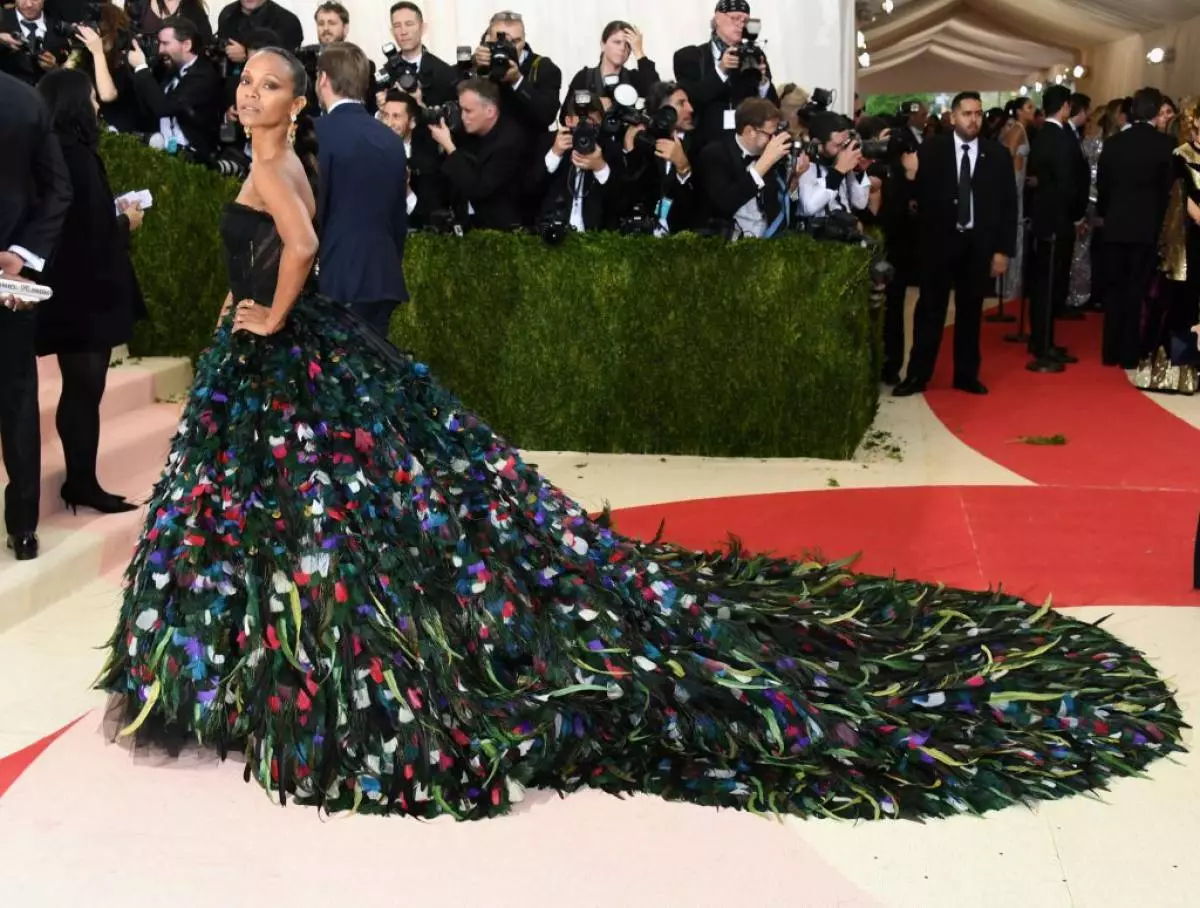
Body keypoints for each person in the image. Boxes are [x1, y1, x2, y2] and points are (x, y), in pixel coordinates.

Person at [95, 47, 1185, 821]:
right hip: (283, 361)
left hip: (278, 354)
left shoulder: (282, 164)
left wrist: (275, 312)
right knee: (311, 517)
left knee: (306, 518)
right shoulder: (295, 150)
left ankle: (250, 671)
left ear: (300, 94)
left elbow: (293, 244)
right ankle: (254, 667)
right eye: (245, 82)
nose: (249, 95)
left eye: (267, 83)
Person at [35, 68, 147, 514]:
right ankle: (82, 483)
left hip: (68, 290)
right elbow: (93, 232)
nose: (97, 106)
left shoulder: (52, 151)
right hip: (85, 294)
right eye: (90, 99)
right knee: (85, 389)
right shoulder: (75, 156)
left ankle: (82, 479)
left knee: (80, 389)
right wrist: (127, 221)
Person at [896, 91, 1017, 397]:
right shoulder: (931, 150)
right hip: (939, 244)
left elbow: (1008, 206)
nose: (974, 119)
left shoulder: (998, 155)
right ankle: (917, 375)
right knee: (930, 311)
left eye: (978, 113)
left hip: (978, 246)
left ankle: (966, 375)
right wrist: (910, 175)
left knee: (970, 312)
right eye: (967, 113)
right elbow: (915, 200)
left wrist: (1002, 250)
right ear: (952, 117)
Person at [0, 69, 73, 560]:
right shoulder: (25, 98)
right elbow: (58, 189)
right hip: (11, 279)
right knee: (18, 398)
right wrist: (20, 254)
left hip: (11, 281)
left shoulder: (26, 101)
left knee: (20, 397)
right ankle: (23, 529)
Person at [312, 42, 409, 337]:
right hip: (383, 277)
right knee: (376, 374)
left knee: (334, 377)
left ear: (323, 79)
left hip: (335, 279)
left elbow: (311, 210)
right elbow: (398, 217)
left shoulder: (315, 133)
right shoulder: (390, 138)